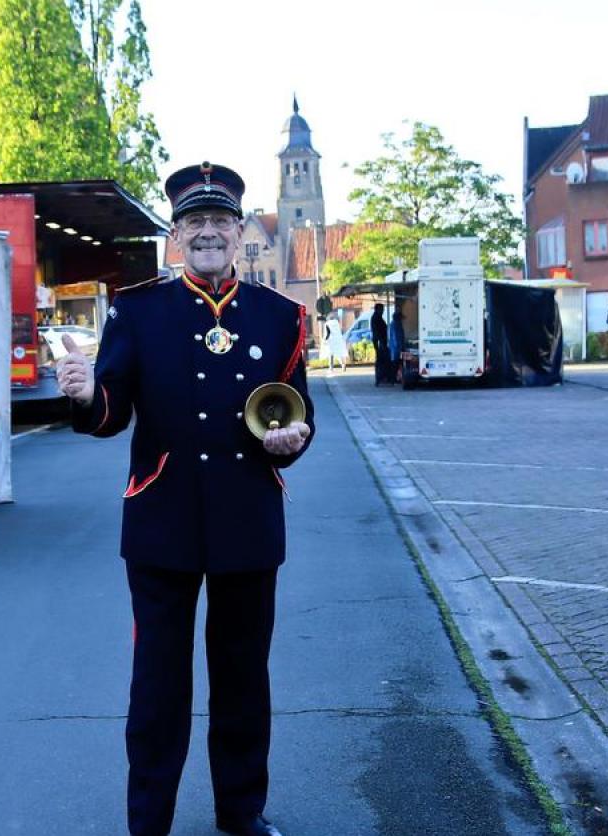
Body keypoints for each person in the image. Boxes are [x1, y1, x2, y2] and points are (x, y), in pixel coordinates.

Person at [55, 161, 314, 836]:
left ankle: (241, 812)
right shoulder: (138, 312)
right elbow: (111, 411)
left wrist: (294, 440)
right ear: (176, 237)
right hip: (163, 521)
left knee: (242, 680)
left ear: (239, 232)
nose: (207, 233)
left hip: (247, 521)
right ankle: (149, 822)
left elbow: (294, 413)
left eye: (219, 221)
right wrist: (85, 396)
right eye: (194, 222)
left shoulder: (282, 318)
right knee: (158, 688)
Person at [370, 303, 391, 384]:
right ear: (378, 309)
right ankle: (380, 378)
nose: (383, 311)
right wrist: (381, 342)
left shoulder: (377, 317)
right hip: (379, 341)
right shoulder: (376, 318)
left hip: (380, 341)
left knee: (381, 360)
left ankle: (382, 377)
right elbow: (376, 331)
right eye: (382, 309)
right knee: (381, 360)